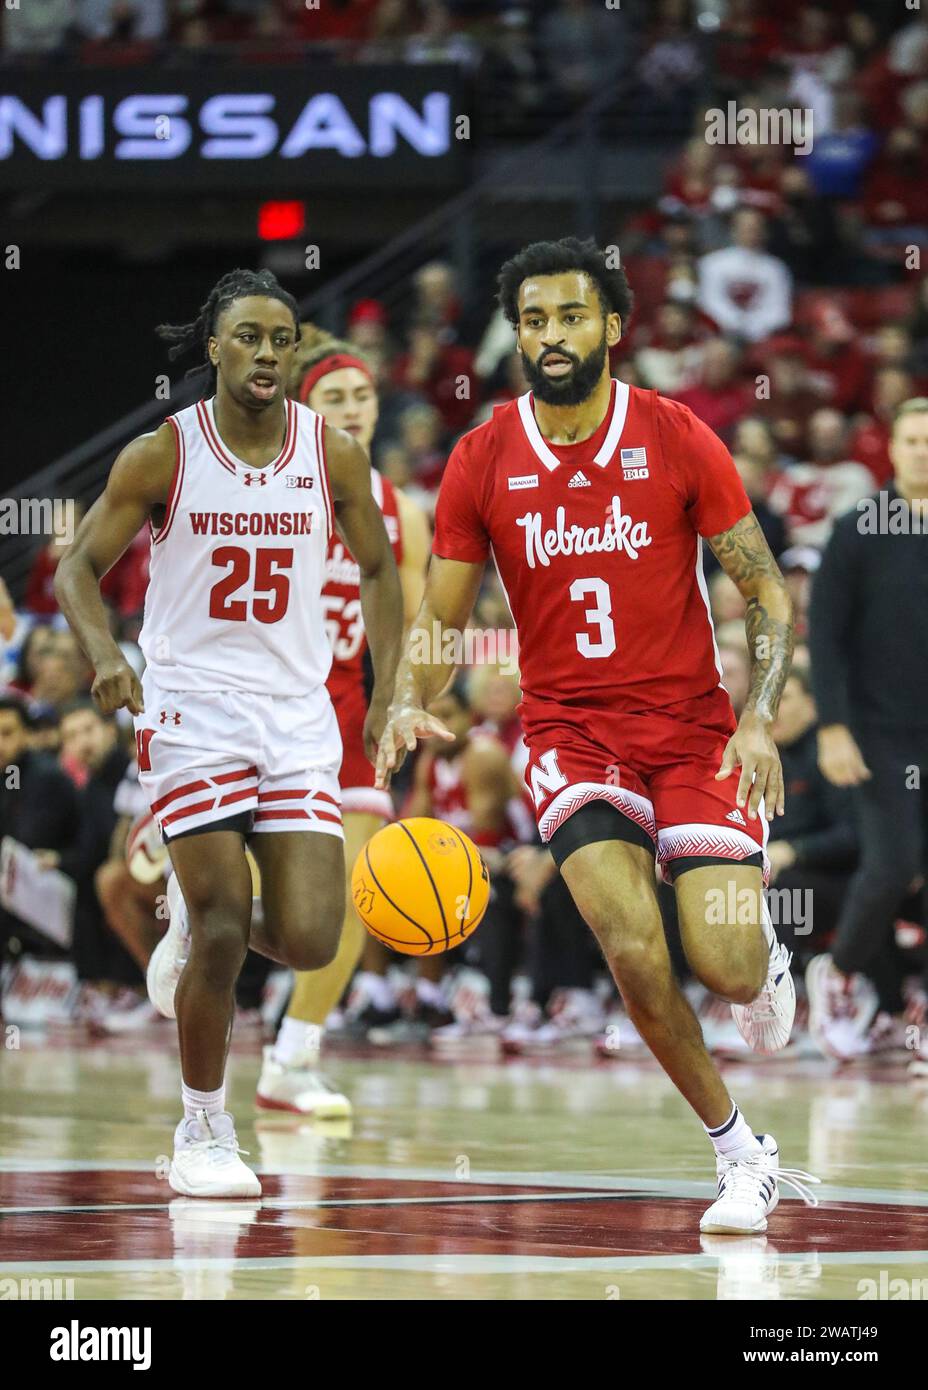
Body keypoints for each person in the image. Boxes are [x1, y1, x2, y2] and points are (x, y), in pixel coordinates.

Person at [376, 237, 819, 1235]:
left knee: (726, 965)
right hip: (572, 737)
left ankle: (765, 962)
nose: (551, 336)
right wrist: (411, 691)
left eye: (570, 316)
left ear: (613, 326)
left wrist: (758, 717)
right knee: (632, 950)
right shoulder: (481, 455)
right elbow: (443, 614)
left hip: (694, 728)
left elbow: (763, 588)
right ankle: (740, 1153)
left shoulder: (674, 434)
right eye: (532, 320)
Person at [54, 269, 404, 1197]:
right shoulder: (162, 453)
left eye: (280, 339)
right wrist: (106, 656)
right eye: (247, 337)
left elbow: (378, 569)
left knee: (312, 935)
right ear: (214, 348)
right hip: (193, 707)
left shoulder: (332, 455)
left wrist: (388, 686)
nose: (264, 353)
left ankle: (191, 926)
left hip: (296, 714)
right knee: (219, 929)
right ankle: (203, 1130)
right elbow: (78, 571)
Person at [251, 336, 430, 1114]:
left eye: (362, 395)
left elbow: (417, 623)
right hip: (261, 701)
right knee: (253, 886)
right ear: (303, 409)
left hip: (350, 715)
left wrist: (409, 695)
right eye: (334, 398)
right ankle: (190, 913)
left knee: (357, 898)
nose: (353, 408)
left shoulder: (402, 510)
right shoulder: (266, 485)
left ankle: (293, 1059)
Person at [807, 397, 928, 1077]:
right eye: (911, 440)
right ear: (894, 448)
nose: (921, 451)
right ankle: (839, 971)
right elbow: (823, 634)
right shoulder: (859, 528)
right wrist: (832, 726)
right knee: (890, 865)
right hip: (878, 733)